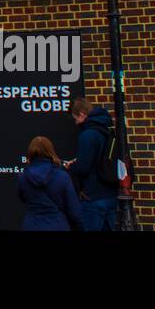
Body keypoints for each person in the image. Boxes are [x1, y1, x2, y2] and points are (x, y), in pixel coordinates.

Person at [67, 98, 118, 230]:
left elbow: (83, 167)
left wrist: (71, 166)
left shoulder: (88, 135)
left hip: (93, 196)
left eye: (75, 118)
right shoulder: (108, 130)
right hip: (112, 193)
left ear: (82, 114)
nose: (76, 122)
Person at [17, 136, 81, 230]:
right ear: (51, 151)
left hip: (31, 226)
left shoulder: (22, 177)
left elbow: (23, 199)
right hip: (58, 226)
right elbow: (75, 213)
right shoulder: (62, 176)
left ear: (30, 153)